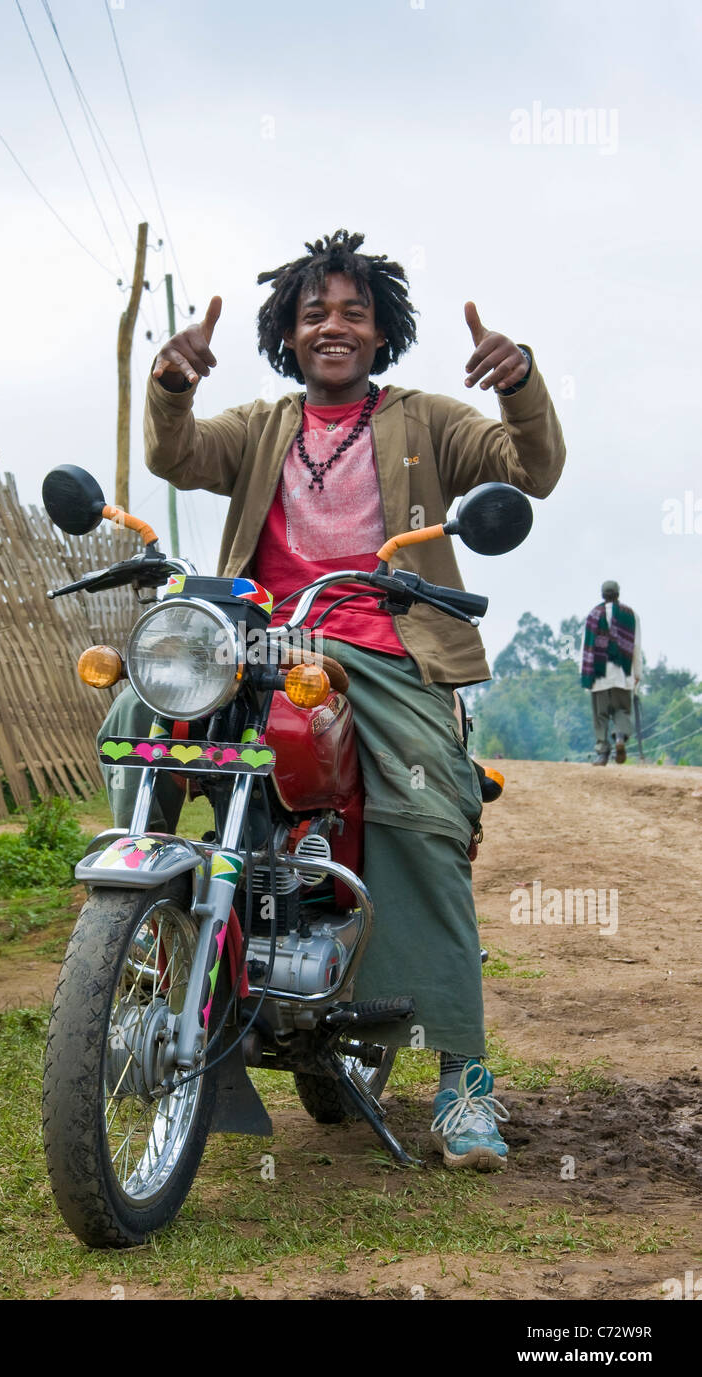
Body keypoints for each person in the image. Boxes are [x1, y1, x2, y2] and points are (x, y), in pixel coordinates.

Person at [100, 229, 566, 1170]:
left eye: (355, 312)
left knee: (429, 806)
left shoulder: (426, 419)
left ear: (383, 329)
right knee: (135, 721)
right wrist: (172, 381)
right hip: (257, 636)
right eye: (316, 313)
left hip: (383, 643)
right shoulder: (264, 426)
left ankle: (463, 1080)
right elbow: (178, 454)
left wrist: (519, 383)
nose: (335, 327)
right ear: (289, 332)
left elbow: (532, 470)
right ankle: (152, 935)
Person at [580, 581, 642, 765]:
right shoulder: (631, 615)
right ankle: (620, 737)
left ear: (602, 594)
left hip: (598, 675)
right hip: (622, 674)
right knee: (622, 710)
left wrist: (585, 675)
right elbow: (636, 647)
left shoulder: (593, 615)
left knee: (601, 715)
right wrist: (637, 672)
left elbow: (586, 647)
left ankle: (602, 753)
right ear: (618, 593)